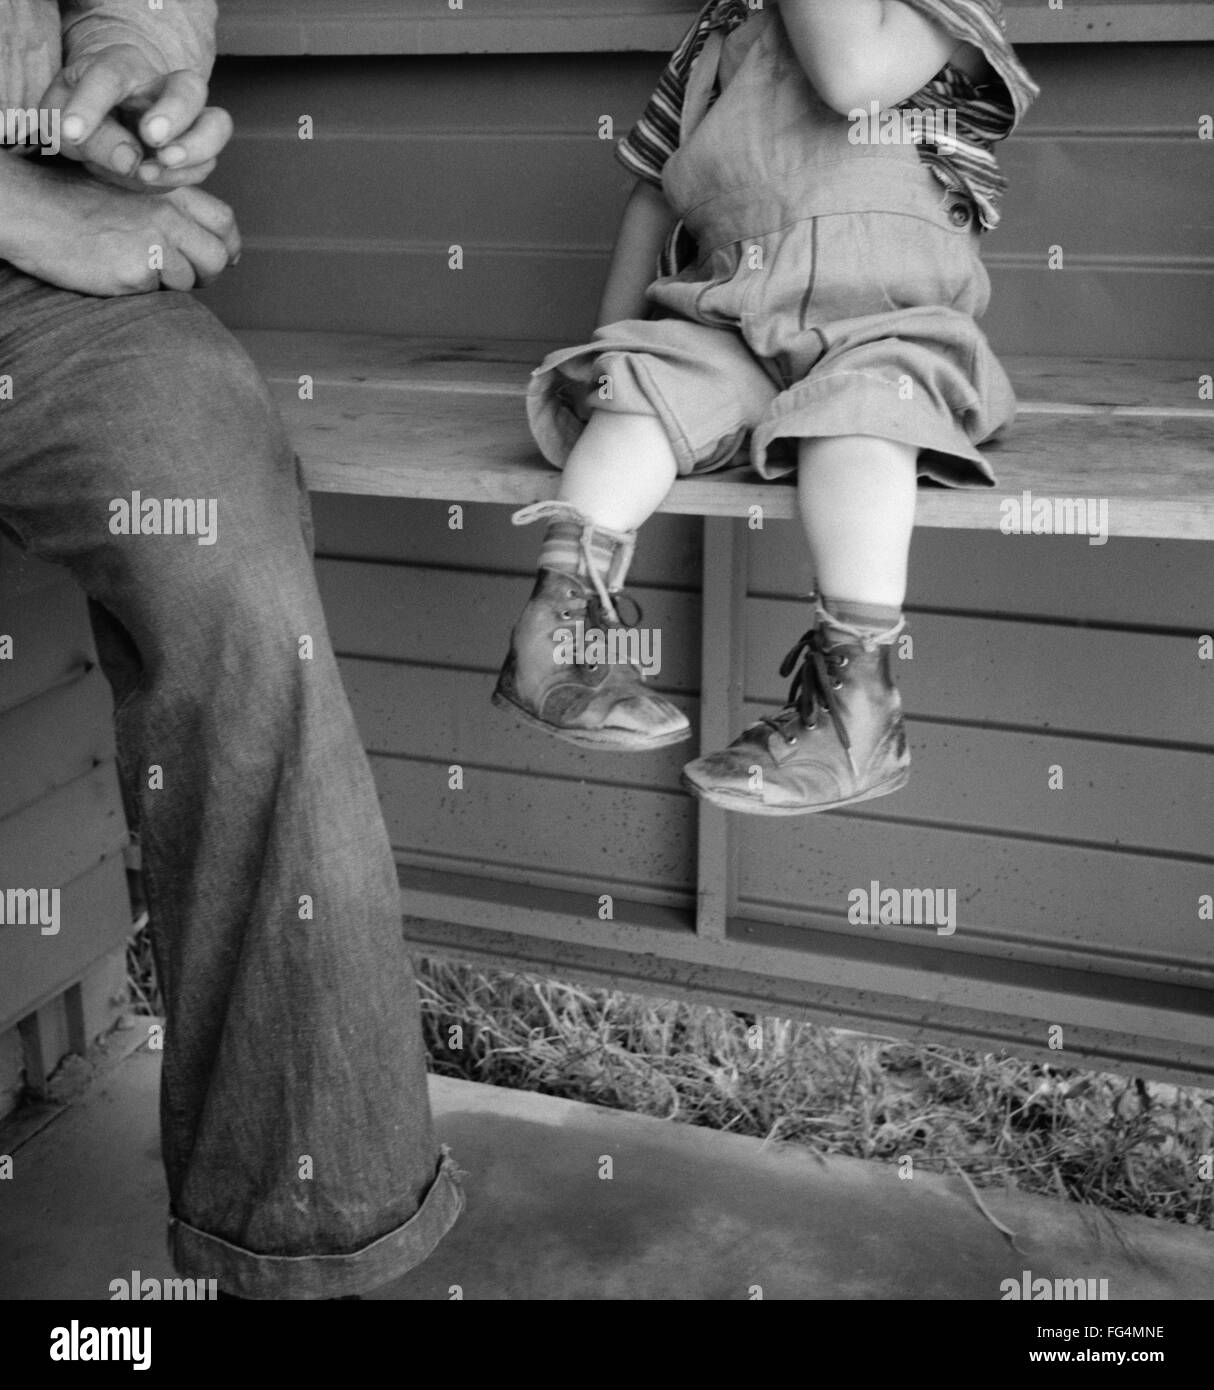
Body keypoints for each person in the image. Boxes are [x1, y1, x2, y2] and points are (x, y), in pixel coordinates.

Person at [0, 1, 462, 1298]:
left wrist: (133, 61)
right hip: (41, 229)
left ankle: (307, 1244)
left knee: (236, 582)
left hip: (47, 289)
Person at [495, 0, 1037, 815]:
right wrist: (613, 349)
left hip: (887, 319)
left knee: (862, 417)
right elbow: (653, 193)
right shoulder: (717, 30)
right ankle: (558, 632)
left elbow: (852, 77)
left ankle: (855, 706)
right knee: (647, 389)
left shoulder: (942, 11)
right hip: (732, 310)